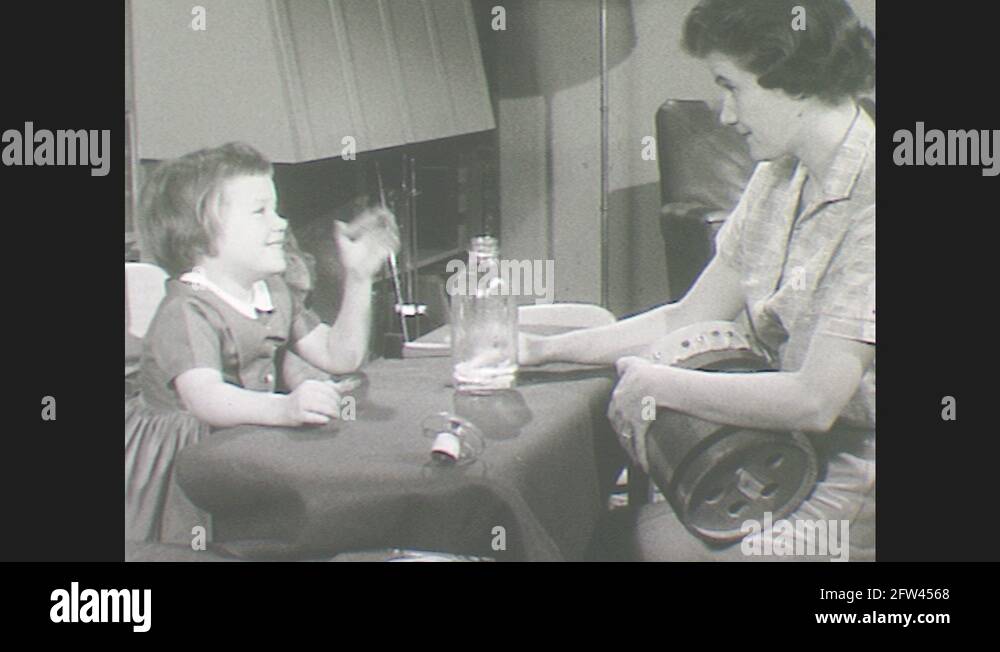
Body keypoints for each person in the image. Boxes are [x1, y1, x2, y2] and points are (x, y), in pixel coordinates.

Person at [521, 0, 876, 561]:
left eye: (731, 86)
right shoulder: (780, 174)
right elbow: (685, 318)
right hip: (775, 455)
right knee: (605, 542)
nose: (724, 114)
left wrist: (656, 383)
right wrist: (541, 351)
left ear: (796, 79)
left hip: (858, 477)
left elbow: (816, 400)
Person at [125, 142, 399, 543]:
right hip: (183, 461)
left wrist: (359, 279)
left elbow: (339, 355)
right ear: (200, 232)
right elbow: (206, 399)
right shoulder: (186, 309)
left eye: (276, 208)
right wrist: (285, 407)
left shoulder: (272, 291)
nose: (281, 223)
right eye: (260, 211)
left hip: (240, 438)